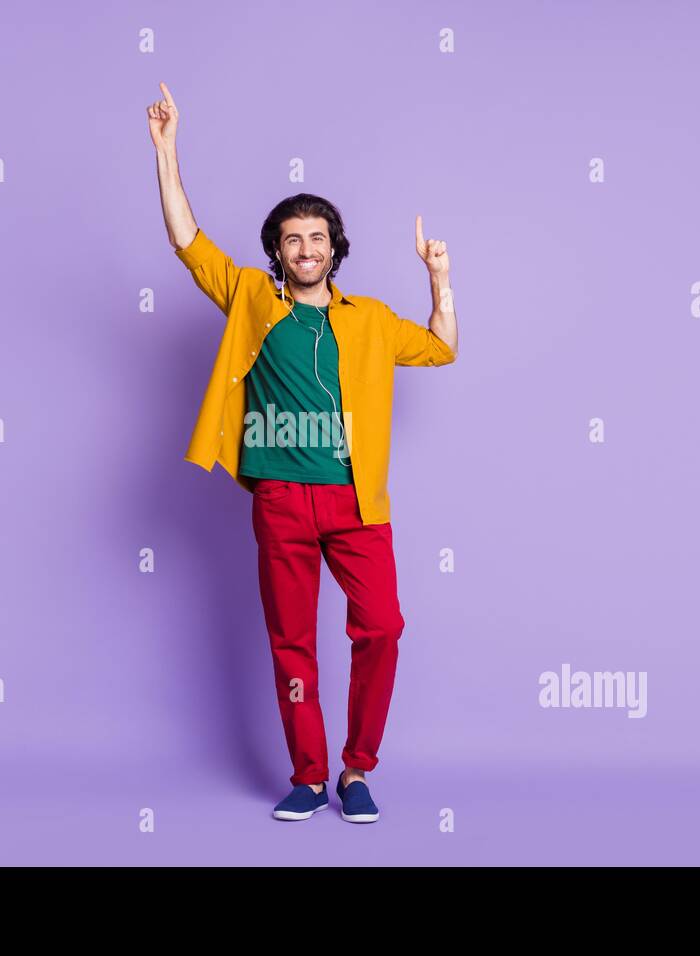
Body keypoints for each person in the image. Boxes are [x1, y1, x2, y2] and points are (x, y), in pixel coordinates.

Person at [147, 81, 459, 822]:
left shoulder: (374, 320)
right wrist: (167, 153)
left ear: (335, 249)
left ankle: (357, 770)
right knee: (292, 642)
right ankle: (310, 775)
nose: (306, 248)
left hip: (358, 502)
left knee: (380, 625)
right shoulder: (253, 298)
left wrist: (440, 281)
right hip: (282, 497)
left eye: (318, 238)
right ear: (277, 251)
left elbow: (443, 348)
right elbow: (187, 242)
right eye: (293, 238)